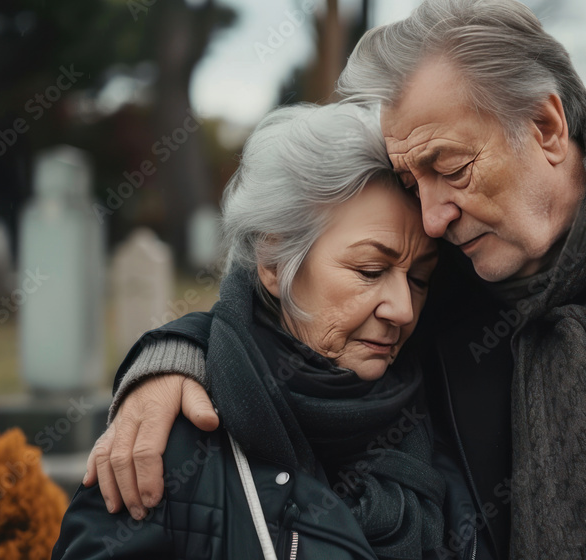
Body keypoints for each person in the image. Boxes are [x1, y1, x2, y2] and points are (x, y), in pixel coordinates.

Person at [86, 1, 586, 559]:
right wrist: (172, 360)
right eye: (416, 188)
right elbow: (288, 321)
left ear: (546, 125)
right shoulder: (450, 290)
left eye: (450, 169)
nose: (435, 218)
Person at [52, 102, 466, 559]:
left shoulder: (453, 405)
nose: (403, 309)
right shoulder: (165, 443)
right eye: (370, 270)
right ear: (275, 260)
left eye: (419, 279)